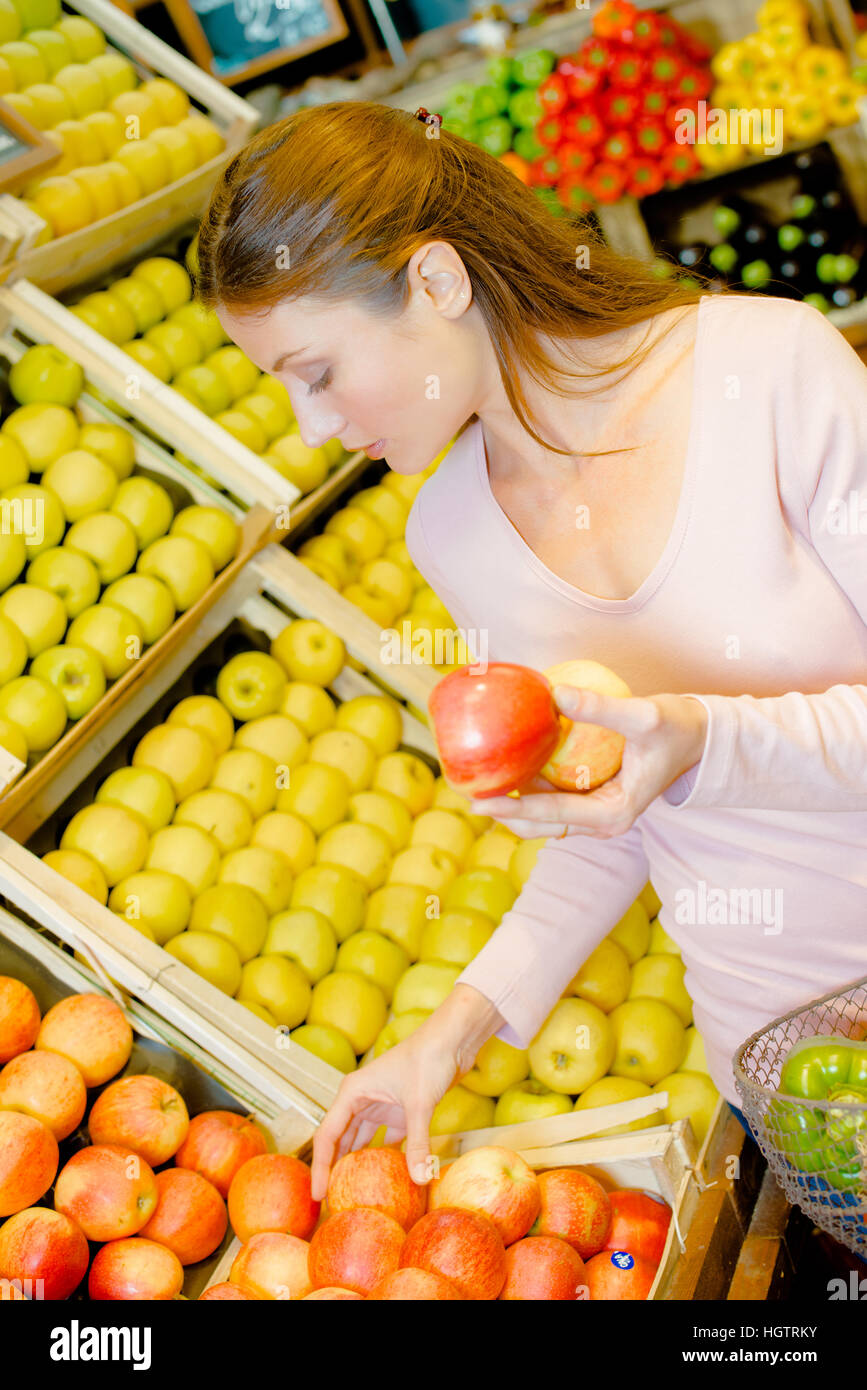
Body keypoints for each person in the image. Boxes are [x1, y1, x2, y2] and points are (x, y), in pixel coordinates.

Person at [194, 102, 867, 1206]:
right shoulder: (450, 534)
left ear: (437, 283)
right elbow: (609, 820)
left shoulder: (769, 372)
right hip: (791, 1073)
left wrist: (701, 738)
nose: (307, 427)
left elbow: (680, 756)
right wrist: (450, 1035)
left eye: (314, 371)